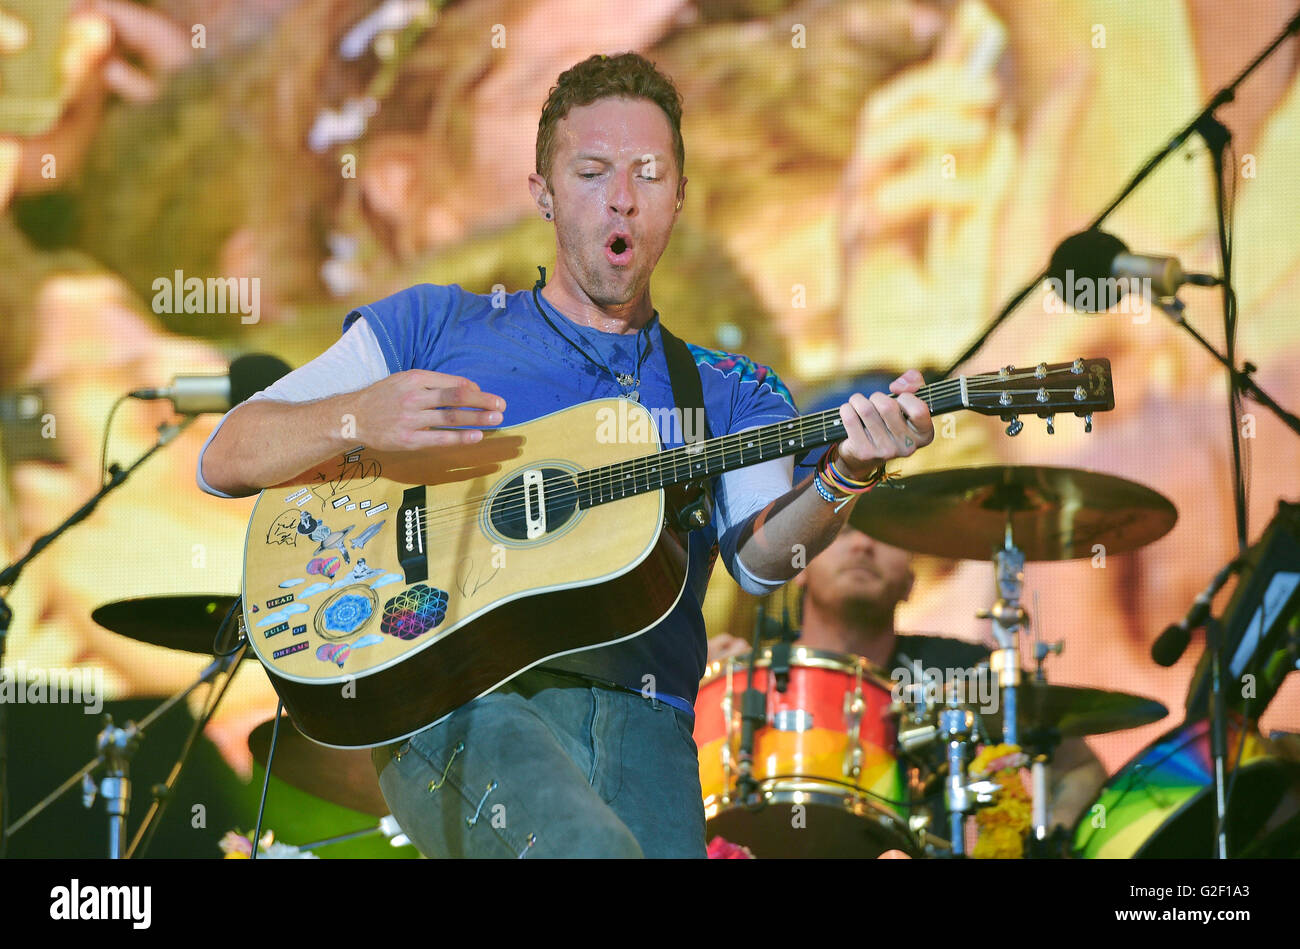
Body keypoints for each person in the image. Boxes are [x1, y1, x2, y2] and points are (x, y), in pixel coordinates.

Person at [198, 52, 936, 858]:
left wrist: (846, 473)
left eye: (648, 174)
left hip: (648, 724)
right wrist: (358, 413)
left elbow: (763, 561)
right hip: (461, 696)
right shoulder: (434, 325)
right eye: (591, 171)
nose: (622, 196)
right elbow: (227, 455)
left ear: (679, 198)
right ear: (543, 194)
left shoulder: (729, 389)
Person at [707, 524, 1109, 836]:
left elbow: (1079, 769)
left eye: (885, 536)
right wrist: (699, 689)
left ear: (911, 582)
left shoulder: (963, 670)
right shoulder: (744, 675)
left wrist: (1040, 845)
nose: (863, 545)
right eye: (841, 531)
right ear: (800, 568)